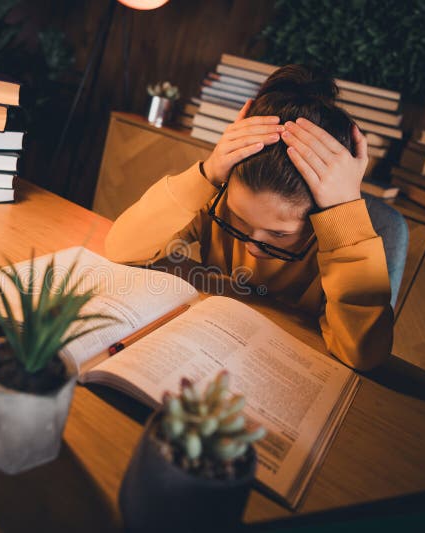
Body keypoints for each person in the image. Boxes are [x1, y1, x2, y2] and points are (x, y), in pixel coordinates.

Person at [104, 65, 393, 371]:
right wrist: (208, 172)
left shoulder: (335, 236)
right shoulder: (217, 194)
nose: (254, 247)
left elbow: (364, 355)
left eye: (279, 236)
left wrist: (346, 215)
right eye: (238, 223)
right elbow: (122, 249)